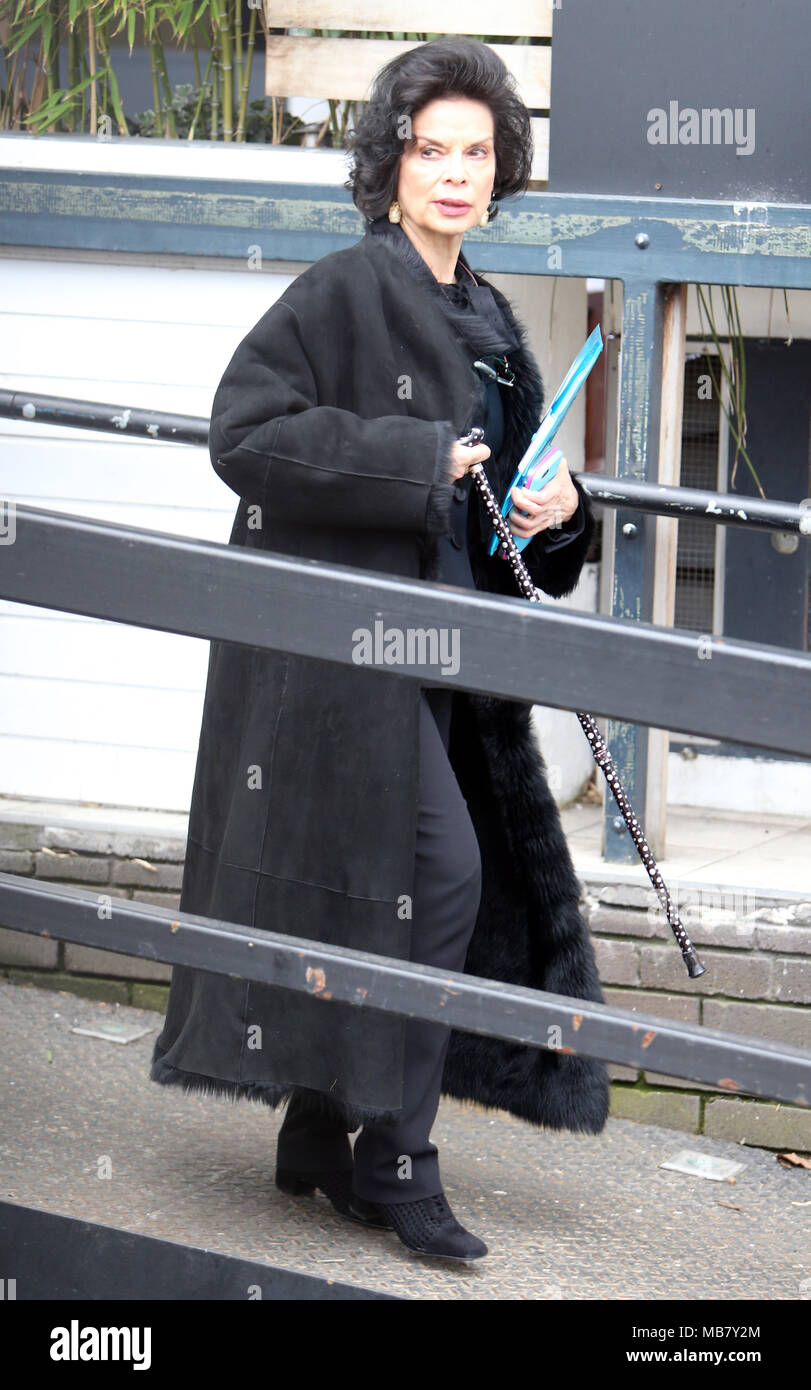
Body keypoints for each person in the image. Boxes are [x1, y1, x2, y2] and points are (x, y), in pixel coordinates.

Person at [150, 36, 610, 1265]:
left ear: (499, 172)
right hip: (339, 657)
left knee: (368, 882)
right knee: (441, 875)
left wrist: (553, 511)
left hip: (444, 661)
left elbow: (517, 521)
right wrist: (414, 462)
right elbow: (242, 433)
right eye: (431, 151)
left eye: (476, 153)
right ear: (392, 165)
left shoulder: (492, 321)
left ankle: (318, 1126)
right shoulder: (342, 289)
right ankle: (398, 1160)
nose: (454, 174)